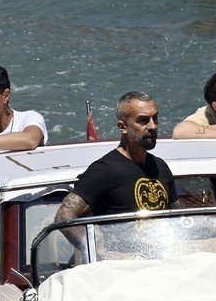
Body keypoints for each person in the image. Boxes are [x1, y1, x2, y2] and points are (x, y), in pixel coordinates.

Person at [55, 91, 178, 224]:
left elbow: (179, 216)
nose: (153, 126)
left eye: (155, 118)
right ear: (122, 127)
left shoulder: (160, 167)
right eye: (143, 121)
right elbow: (64, 217)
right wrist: (93, 237)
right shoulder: (104, 170)